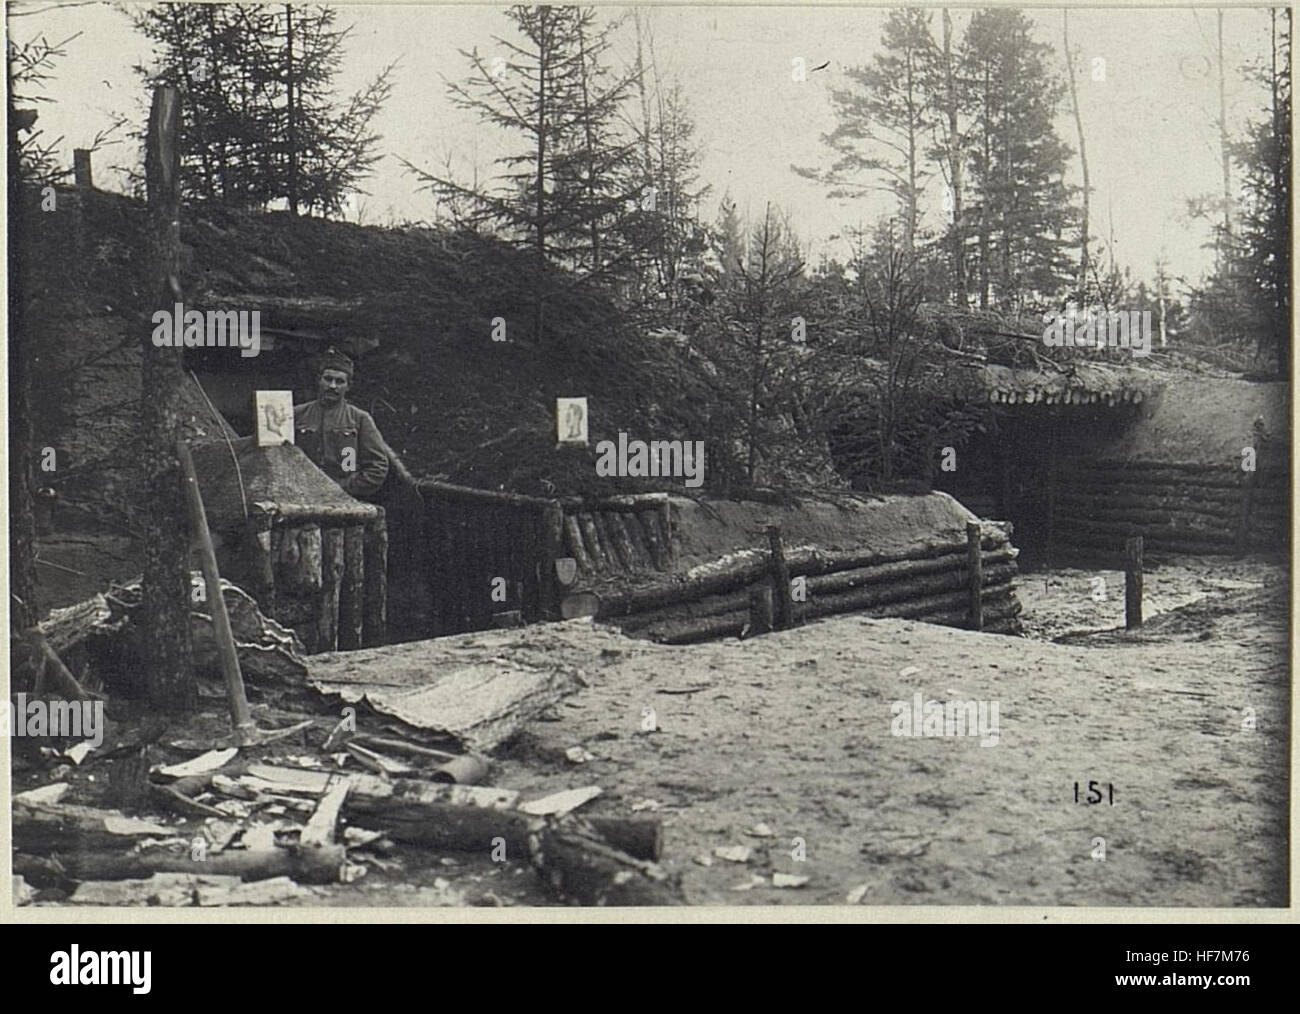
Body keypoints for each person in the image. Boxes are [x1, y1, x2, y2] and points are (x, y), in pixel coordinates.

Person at [294, 348, 390, 500]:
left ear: (348, 386)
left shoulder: (359, 419)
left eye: (339, 381)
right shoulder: (297, 414)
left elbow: (377, 467)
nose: (332, 386)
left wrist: (344, 488)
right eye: (328, 379)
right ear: (319, 380)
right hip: (301, 496)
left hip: (344, 499)